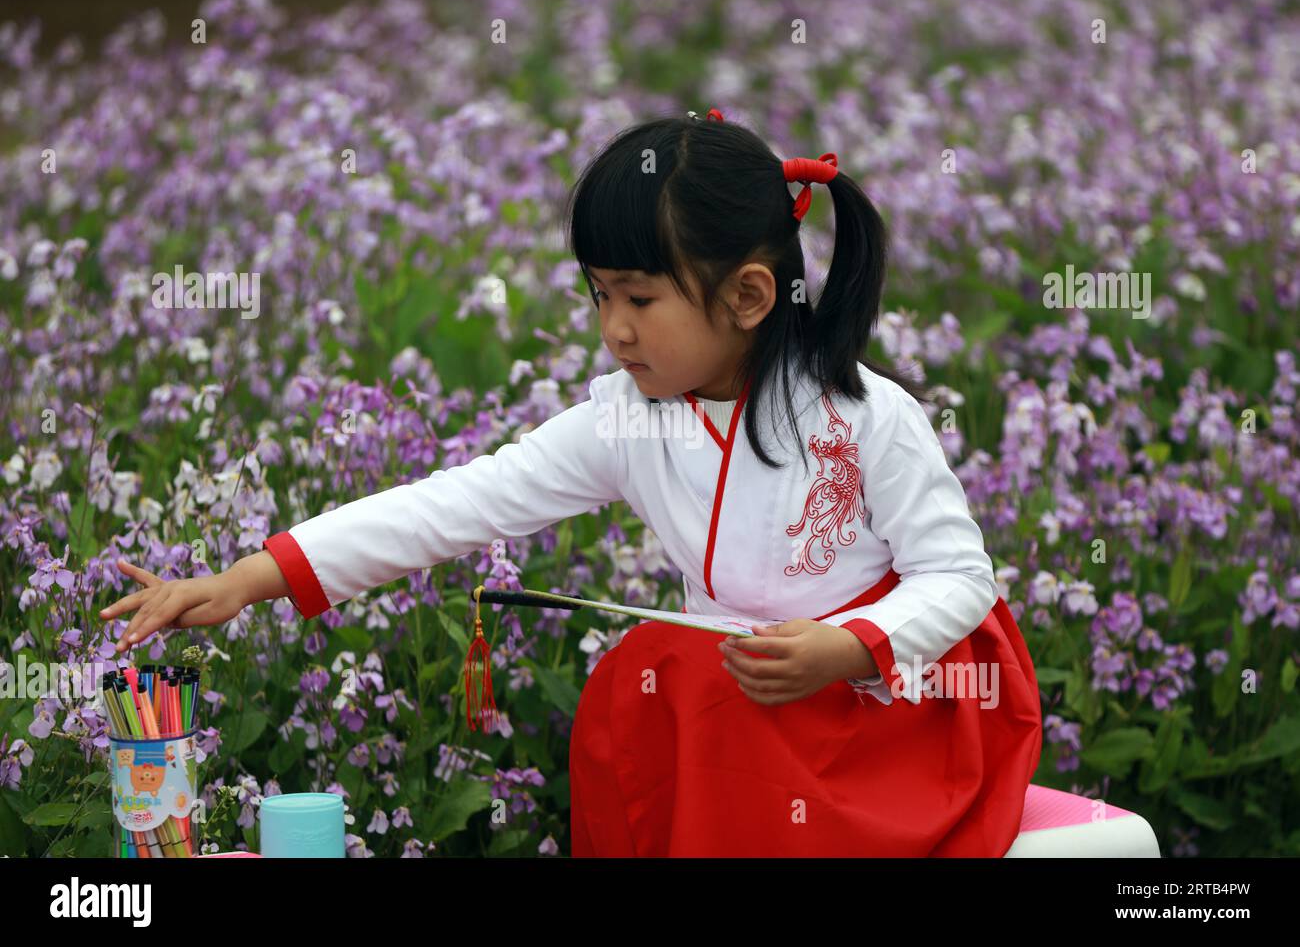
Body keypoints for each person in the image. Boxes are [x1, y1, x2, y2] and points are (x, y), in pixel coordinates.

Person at [99, 108, 1041, 857]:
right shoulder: (627, 416)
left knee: (679, 677)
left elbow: (960, 579)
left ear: (750, 296)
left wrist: (848, 648)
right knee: (645, 683)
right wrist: (250, 578)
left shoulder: (869, 417)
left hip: (887, 711)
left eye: (640, 298)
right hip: (745, 703)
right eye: (598, 294)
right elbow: (461, 502)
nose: (613, 328)